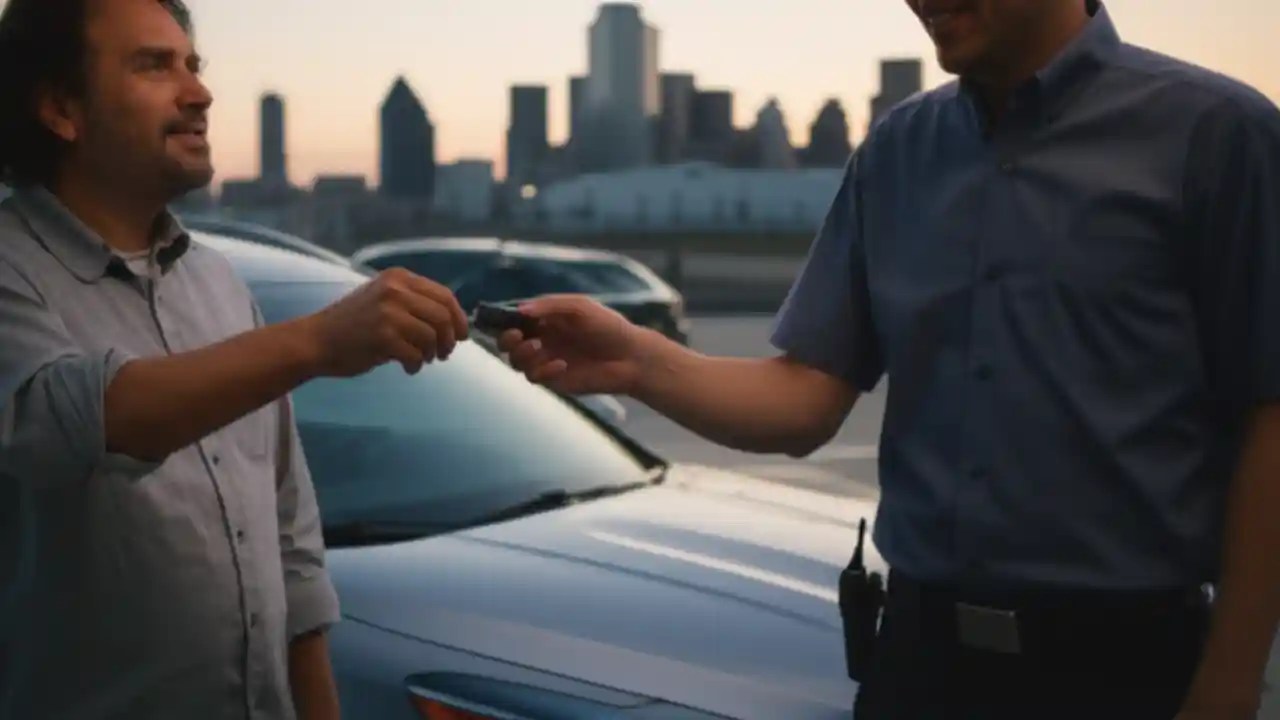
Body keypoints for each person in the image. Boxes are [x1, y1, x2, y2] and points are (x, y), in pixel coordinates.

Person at [500, 0, 1280, 717]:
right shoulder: (898, 149)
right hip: (918, 665)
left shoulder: (1218, 135)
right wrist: (636, 359)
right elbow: (807, 398)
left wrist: (1231, 682)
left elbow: (1270, 417)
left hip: (1126, 676)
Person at [0, 0, 469, 718]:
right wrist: (316, 341)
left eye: (193, 64)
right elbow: (83, 419)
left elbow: (292, 550)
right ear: (63, 109)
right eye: (154, 66)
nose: (200, 92)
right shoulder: (10, 268)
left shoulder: (218, 283)